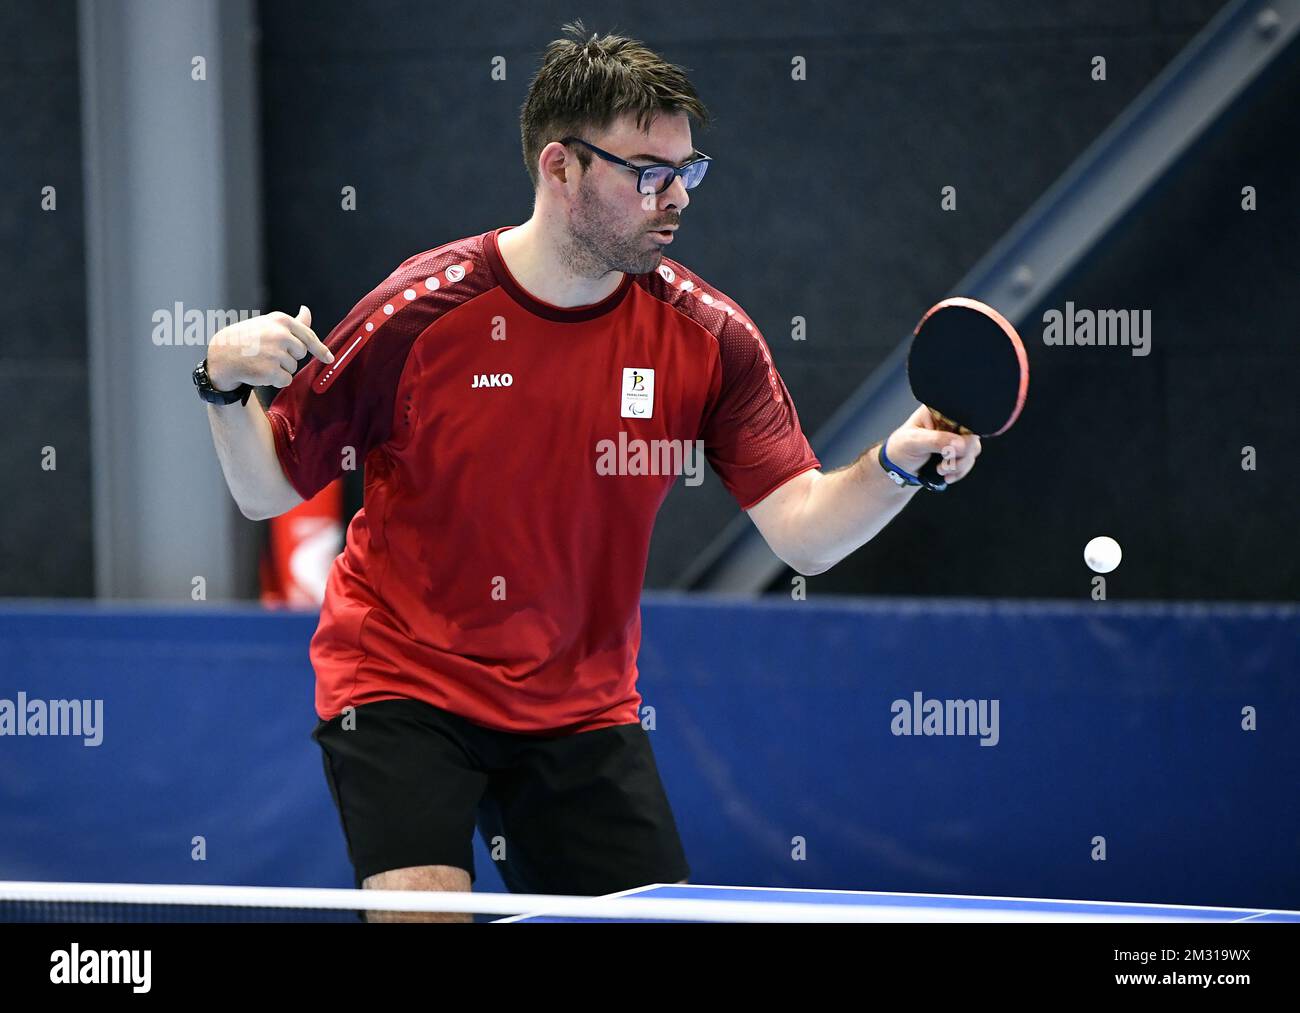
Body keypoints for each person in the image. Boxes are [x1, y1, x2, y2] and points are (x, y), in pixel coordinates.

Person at [196, 21, 980, 922]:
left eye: (688, 171)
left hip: (581, 706)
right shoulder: (421, 312)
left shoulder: (709, 338)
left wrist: (896, 465)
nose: (676, 195)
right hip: (403, 681)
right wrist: (220, 383)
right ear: (560, 168)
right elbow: (265, 490)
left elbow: (803, 530)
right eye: (648, 171)